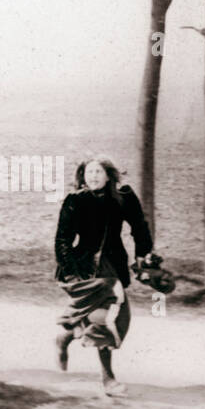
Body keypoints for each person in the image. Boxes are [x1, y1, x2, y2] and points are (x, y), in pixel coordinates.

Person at [53, 157, 154, 396]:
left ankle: (66, 337)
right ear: (83, 176)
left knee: (110, 318)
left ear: (108, 175)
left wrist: (143, 255)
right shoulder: (75, 201)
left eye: (99, 171)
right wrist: (70, 270)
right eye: (89, 172)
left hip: (113, 265)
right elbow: (62, 239)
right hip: (84, 267)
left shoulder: (124, 197)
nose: (94, 176)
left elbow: (139, 226)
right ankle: (108, 379)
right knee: (105, 319)